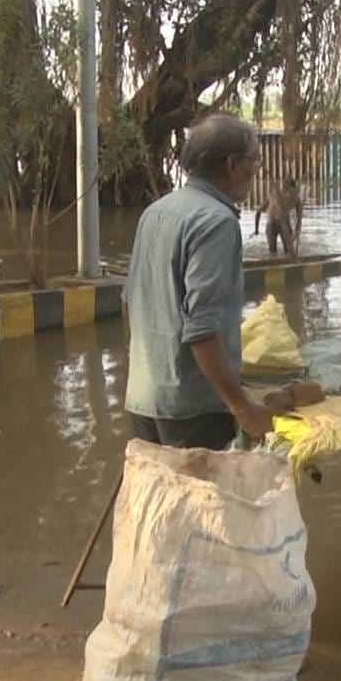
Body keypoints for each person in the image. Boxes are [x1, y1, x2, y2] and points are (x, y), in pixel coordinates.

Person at [123, 112, 277, 449]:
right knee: (203, 501)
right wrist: (243, 408)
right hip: (194, 414)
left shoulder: (155, 212)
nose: (256, 172)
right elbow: (202, 330)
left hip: (143, 400)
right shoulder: (217, 222)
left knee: (161, 500)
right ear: (231, 164)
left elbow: (130, 304)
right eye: (254, 163)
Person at [254, 178, 303, 258]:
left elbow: (299, 215)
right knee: (274, 251)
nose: (284, 185)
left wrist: (298, 227)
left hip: (283, 225)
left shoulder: (293, 198)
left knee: (284, 251)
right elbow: (258, 211)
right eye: (285, 183)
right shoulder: (273, 195)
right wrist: (256, 229)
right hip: (273, 224)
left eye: (287, 183)